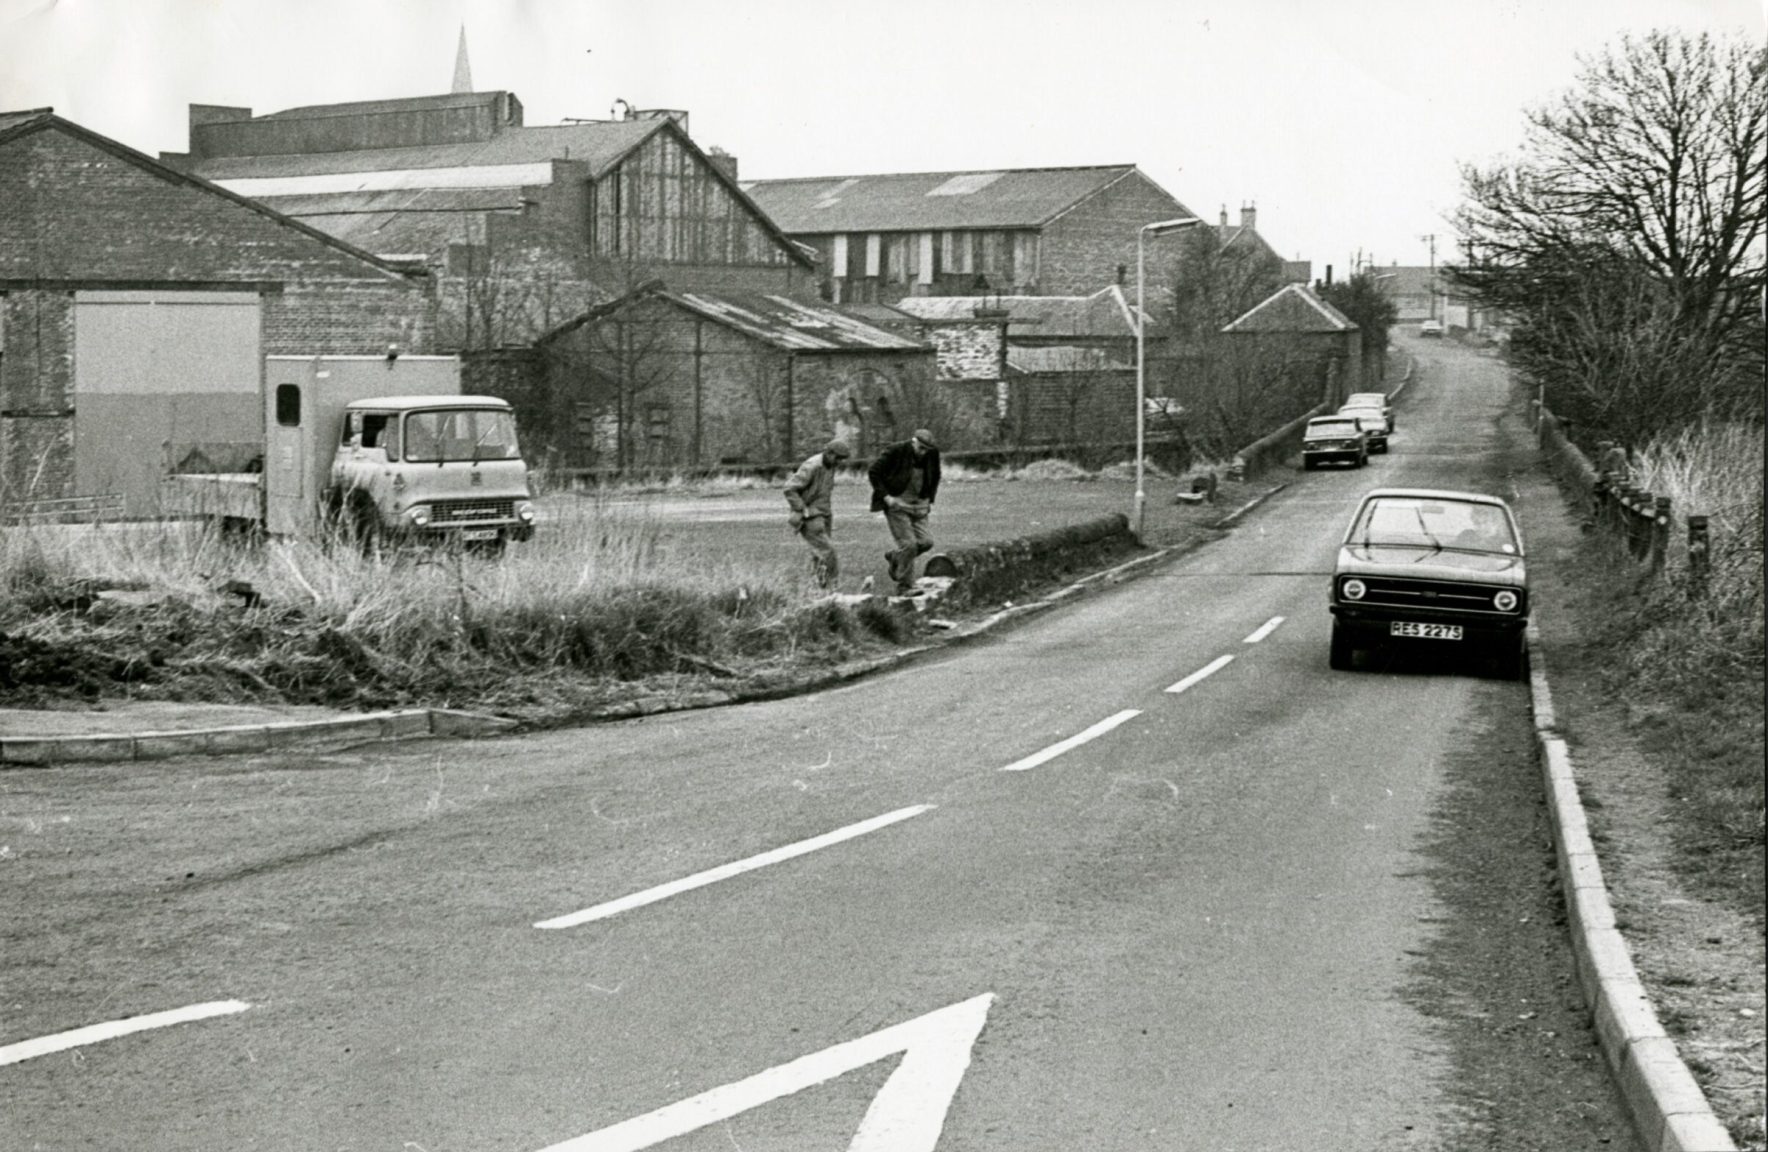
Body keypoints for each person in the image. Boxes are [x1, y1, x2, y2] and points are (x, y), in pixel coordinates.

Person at [868, 428, 941, 595]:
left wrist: (929, 498)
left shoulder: (932, 454)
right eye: (920, 448)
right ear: (913, 441)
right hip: (897, 504)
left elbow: (936, 475)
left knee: (926, 542)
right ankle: (905, 587)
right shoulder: (896, 450)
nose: (923, 453)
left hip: (919, 504)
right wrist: (886, 497)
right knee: (909, 545)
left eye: (926, 450)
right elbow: (874, 472)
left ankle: (896, 557)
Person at [783, 439, 851, 589]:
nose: (839, 462)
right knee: (828, 551)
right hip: (811, 516)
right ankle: (833, 588)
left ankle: (818, 588)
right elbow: (789, 488)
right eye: (838, 458)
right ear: (829, 453)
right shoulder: (812, 466)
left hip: (825, 514)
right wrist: (801, 509)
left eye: (842, 459)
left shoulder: (830, 465)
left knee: (819, 554)